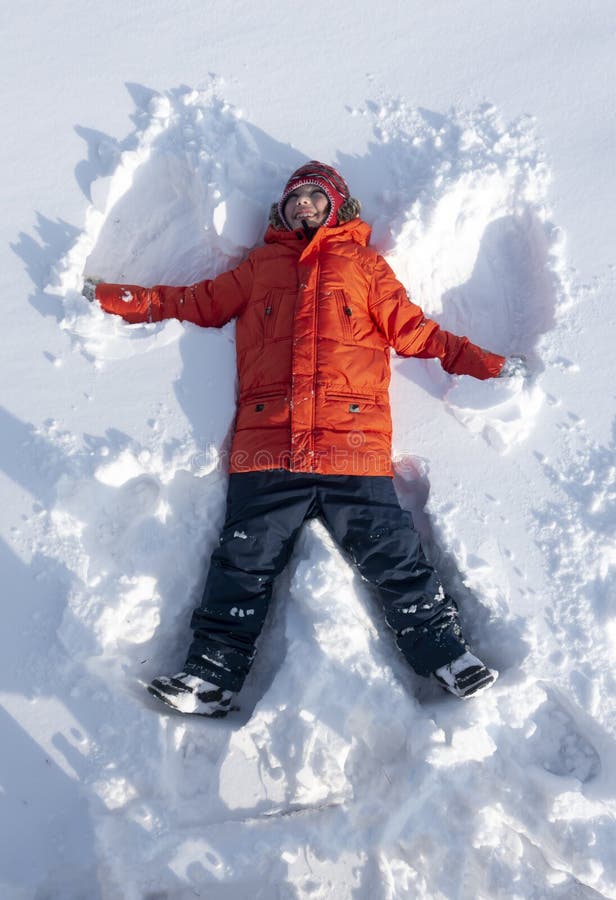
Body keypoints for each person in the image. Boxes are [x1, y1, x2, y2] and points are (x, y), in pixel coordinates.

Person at [84, 161, 527, 717]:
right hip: (268, 448)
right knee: (242, 564)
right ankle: (210, 678)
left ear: (337, 204)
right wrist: (118, 298)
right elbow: (195, 302)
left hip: (353, 448)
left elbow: (419, 333)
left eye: (314, 198)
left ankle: (447, 655)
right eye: (294, 200)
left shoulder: (363, 265)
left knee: (394, 555)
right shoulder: (260, 266)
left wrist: (490, 366)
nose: (303, 206)